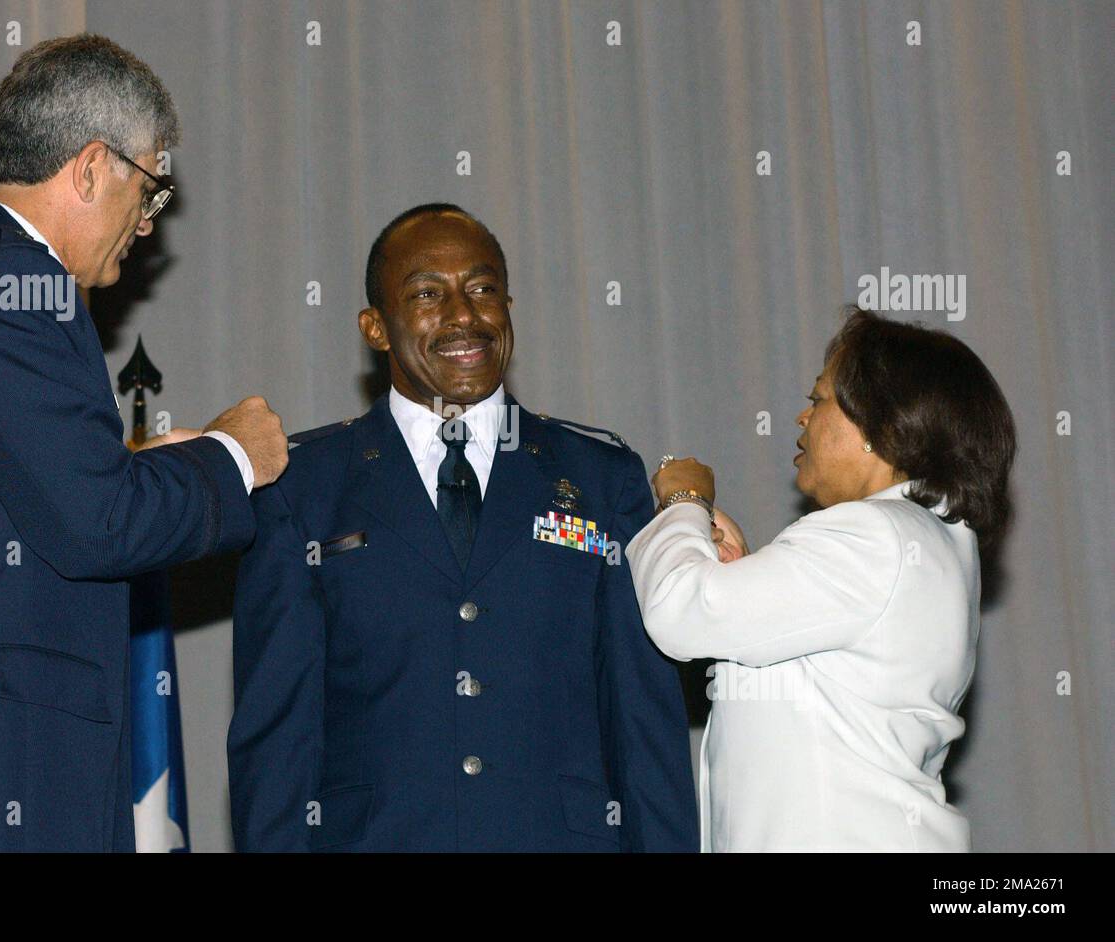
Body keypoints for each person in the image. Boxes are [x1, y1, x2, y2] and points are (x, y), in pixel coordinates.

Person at [0, 35, 288, 852]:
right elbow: (97, 524)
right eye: (150, 189)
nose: (149, 223)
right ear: (90, 168)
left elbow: (21, 505)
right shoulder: (20, 291)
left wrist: (150, 470)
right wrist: (233, 455)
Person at [228, 203, 698, 851]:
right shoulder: (302, 487)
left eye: (482, 289)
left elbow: (644, 723)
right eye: (427, 293)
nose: (463, 315)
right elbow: (276, 740)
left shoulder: (598, 477)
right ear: (375, 327)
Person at [626, 307, 1016, 851]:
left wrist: (682, 500)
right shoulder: (916, 541)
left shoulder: (875, 535)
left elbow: (680, 611)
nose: (802, 420)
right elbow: (822, 691)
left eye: (818, 400)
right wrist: (742, 577)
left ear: (881, 424)